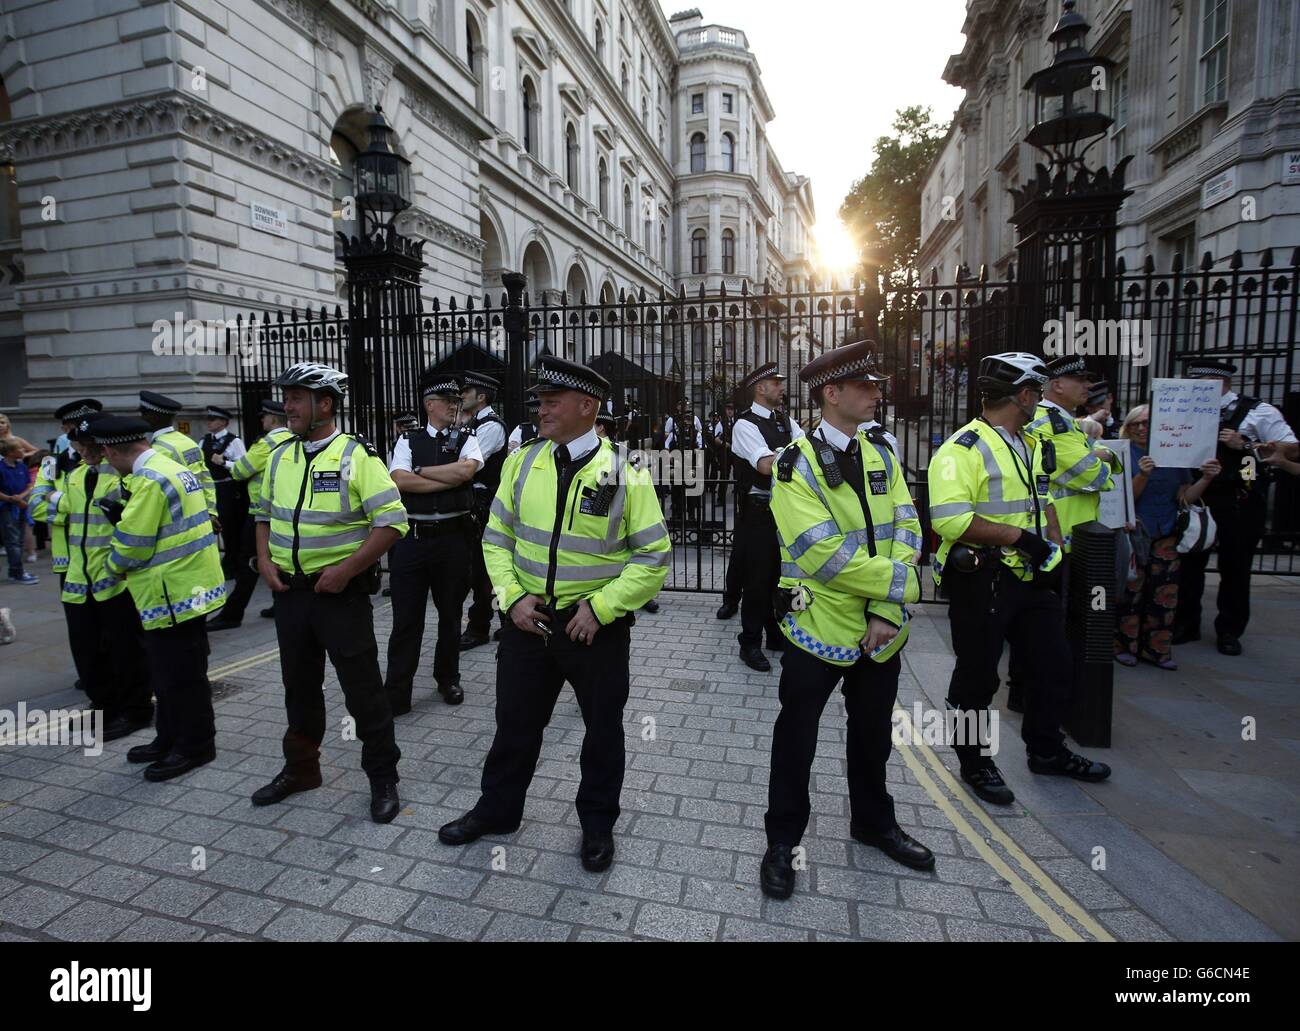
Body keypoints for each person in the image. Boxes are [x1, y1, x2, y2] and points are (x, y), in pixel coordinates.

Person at [438, 356, 670, 872]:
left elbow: (653, 557)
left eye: (551, 402)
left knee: (602, 732)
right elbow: (495, 539)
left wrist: (602, 608)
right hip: (528, 624)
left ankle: (596, 825)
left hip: (595, 631)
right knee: (514, 725)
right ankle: (498, 811)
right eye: (540, 401)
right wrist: (512, 599)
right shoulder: (522, 463)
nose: (540, 410)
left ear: (587, 407)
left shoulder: (626, 472)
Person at [761, 341, 931, 900]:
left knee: (872, 733)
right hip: (821, 628)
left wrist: (886, 608)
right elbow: (820, 554)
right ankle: (782, 842)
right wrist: (899, 588)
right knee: (797, 739)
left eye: (877, 385)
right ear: (832, 394)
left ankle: (873, 821)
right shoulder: (795, 464)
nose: (878, 393)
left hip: (881, 629)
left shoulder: (881, 448)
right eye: (867, 386)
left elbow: (909, 524)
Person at [928, 352, 1110, 807]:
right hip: (982, 579)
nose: (1042, 399)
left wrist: (1050, 542)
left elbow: (1041, 495)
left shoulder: (1030, 443)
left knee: (1054, 666)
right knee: (977, 677)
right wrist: (1020, 539)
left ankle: (1045, 750)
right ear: (1025, 395)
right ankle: (974, 762)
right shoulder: (962, 449)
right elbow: (950, 519)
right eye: (1038, 391)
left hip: (1031, 579)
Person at [252, 361, 408, 824]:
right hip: (290, 595)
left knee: (363, 693)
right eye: (287, 397)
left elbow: (392, 522)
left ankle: (383, 777)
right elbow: (262, 513)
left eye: (297, 397)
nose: (288, 405)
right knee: (298, 689)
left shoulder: (355, 456)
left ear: (325, 404)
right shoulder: (280, 454)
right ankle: (301, 770)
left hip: (339, 597)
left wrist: (346, 570)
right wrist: (263, 560)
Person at [100, 415, 225, 781]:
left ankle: (195, 746)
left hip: (173, 592)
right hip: (186, 588)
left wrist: (113, 563)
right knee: (171, 674)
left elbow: (132, 546)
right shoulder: (165, 465)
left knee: (180, 677)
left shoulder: (149, 479)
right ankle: (169, 737)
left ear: (110, 450)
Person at [1175, 359, 1299, 655]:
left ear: (1219, 384)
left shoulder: (1258, 411)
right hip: (1200, 494)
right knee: (1190, 560)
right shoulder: (1185, 410)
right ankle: (1186, 623)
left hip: (1240, 496)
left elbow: (1291, 448)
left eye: (1201, 384)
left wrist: (1246, 445)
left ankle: (1230, 629)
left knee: (1236, 565)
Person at [385, 373, 482, 712]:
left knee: (450, 615)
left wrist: (421, 471)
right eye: (449, 401)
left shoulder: (467, 437)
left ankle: (448, 678)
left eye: (458, 401)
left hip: (453, 539)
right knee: (406, 620)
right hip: (414, 539)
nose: (456, 406)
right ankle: (397, 691)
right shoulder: (408, 439)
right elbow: (399, 481)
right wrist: (444, 477)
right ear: (430, 405)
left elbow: (466, 473)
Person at [53, 413, 152, 739]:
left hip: (114, 581)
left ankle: (135, 711)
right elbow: (49, 510)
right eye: (80, 445)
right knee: (87, 651)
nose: (87, 451)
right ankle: (103, 707)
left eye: (93, 445)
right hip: (78, 581)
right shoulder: (75, 477)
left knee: (125, 651)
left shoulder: (123, 477)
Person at [1113, 405, 1220, 670]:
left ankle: (1157, 649)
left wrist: (1206, 479)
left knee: (1165, 593)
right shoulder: (1122, 453)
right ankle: (1124, 646)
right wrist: (1144, 475)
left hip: (1166, 532)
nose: (1141, 428)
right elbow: (1124, 498)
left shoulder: (1174, 455)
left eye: (1147, 423)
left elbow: (1184, 497)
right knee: (1131, 592)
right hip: (1135, 532)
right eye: (1136, 423)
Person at [730, 362, 805, 671]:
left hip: (786, 514)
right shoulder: (745, 424)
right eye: (776, 383)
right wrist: (789, 454)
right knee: (758, 581)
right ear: (760, 388)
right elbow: (764, 465)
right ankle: (749, 642)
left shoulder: (787, 422)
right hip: (758, 516)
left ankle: (777, 633)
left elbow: (808, 452)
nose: (781, 387)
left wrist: (782, 453)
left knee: (784, 579)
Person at [205, 400, 294, 631]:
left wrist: (224, 461)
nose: (262, 420)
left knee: (249, 563)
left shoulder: (266, 443)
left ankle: (232, 614)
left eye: (264, 417)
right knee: (277, 557)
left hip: (259, 513)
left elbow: (240, 470)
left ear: (274, 419)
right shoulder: (294, 439)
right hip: (283, 511)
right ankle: (280, 604)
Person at [458, 371, 508, 650]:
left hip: (486, 505)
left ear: (482, 396)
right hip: (472, 504)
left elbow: (468, 465)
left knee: (485, 568)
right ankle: (498, 622)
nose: (462, 396)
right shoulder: (471, 423)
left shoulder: (490, 426)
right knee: (478, 568)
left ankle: (481, 627)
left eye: (467, 391)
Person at [32, 400, 100, 581]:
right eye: (79, 426)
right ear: (66, 429)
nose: (85, 432)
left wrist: (55, 497)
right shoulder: (51, 463)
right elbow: (36, 507)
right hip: (69, 560)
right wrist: (77, 513)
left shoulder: (107, 460)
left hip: (104, 558)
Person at [137, 391, 217, 530]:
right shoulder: (189, 442)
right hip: (199, 515)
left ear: (155, 416)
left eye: (144, 413)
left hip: (178, 522)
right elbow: (206, 480)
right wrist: (211, 512)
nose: (141, 417)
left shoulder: (158, 450)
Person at [200, 405, 248, 579]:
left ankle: (232, 564)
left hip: (226, 488)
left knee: (229, 528)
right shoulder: (204, 441)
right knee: (208, 526)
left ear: (223, 422)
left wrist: (224, 463)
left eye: (213, 419)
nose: (209, 422)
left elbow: (244, 466)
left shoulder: (233, 441)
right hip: (208, 488)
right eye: (208, 419)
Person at [0, 440, 37, 584]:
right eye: (19, 448)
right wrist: (11, 499)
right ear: (10, 453)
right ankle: (17, 572)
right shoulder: (1, 468)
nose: (23, 450)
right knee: (12, 541)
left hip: (21, 506)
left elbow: (29, 484)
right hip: (6, 508)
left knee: (20, 540)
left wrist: (21, 498)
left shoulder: (21, 466)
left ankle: (16, 571)